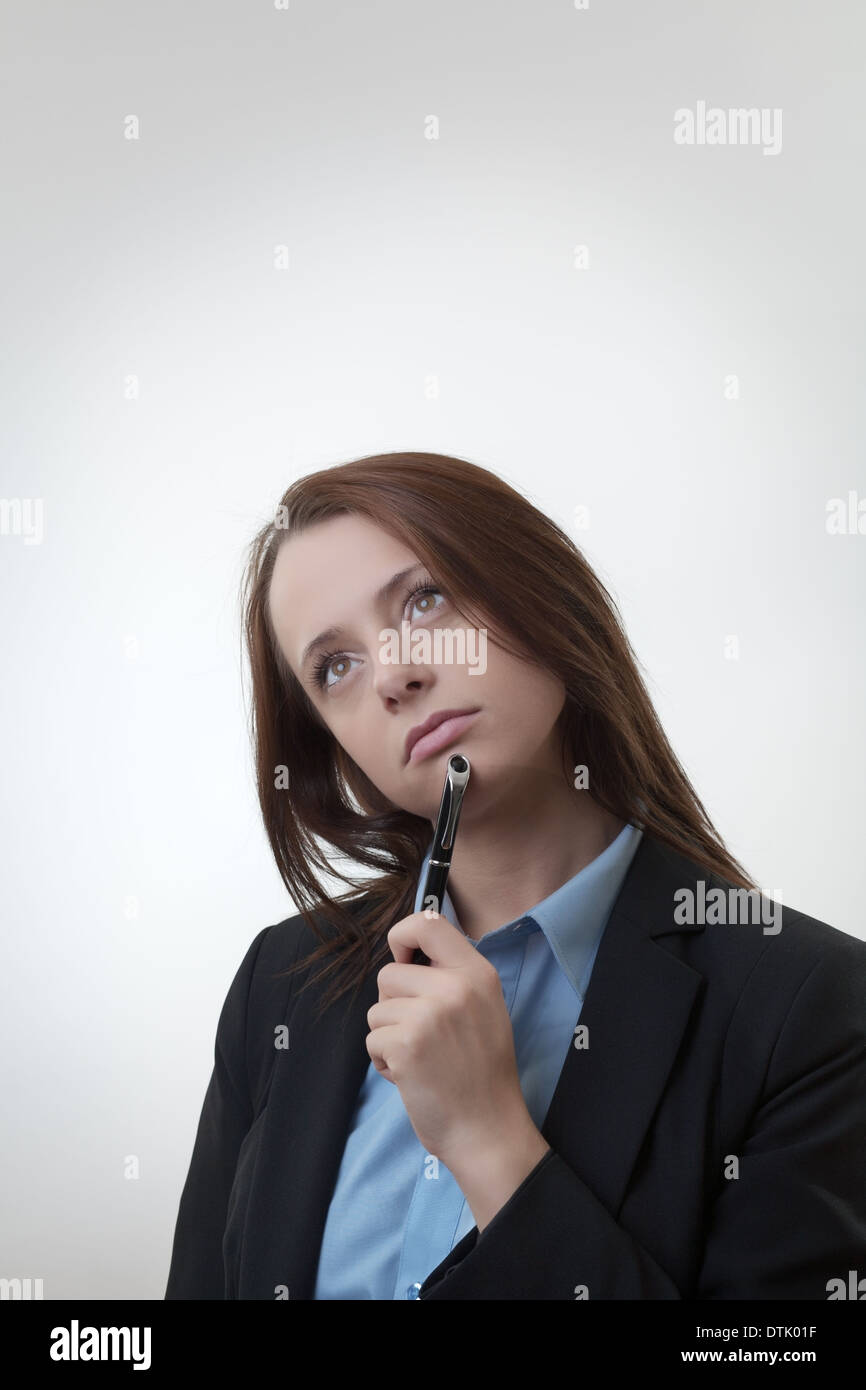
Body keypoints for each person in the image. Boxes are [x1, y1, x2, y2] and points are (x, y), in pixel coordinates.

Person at [165, 451, 866, 1300]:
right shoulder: (280, 986)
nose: (393, 676)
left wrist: (489, 1140)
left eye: (424, 600)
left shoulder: (811, 1009)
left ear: (540, 593)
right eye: (334, 667)